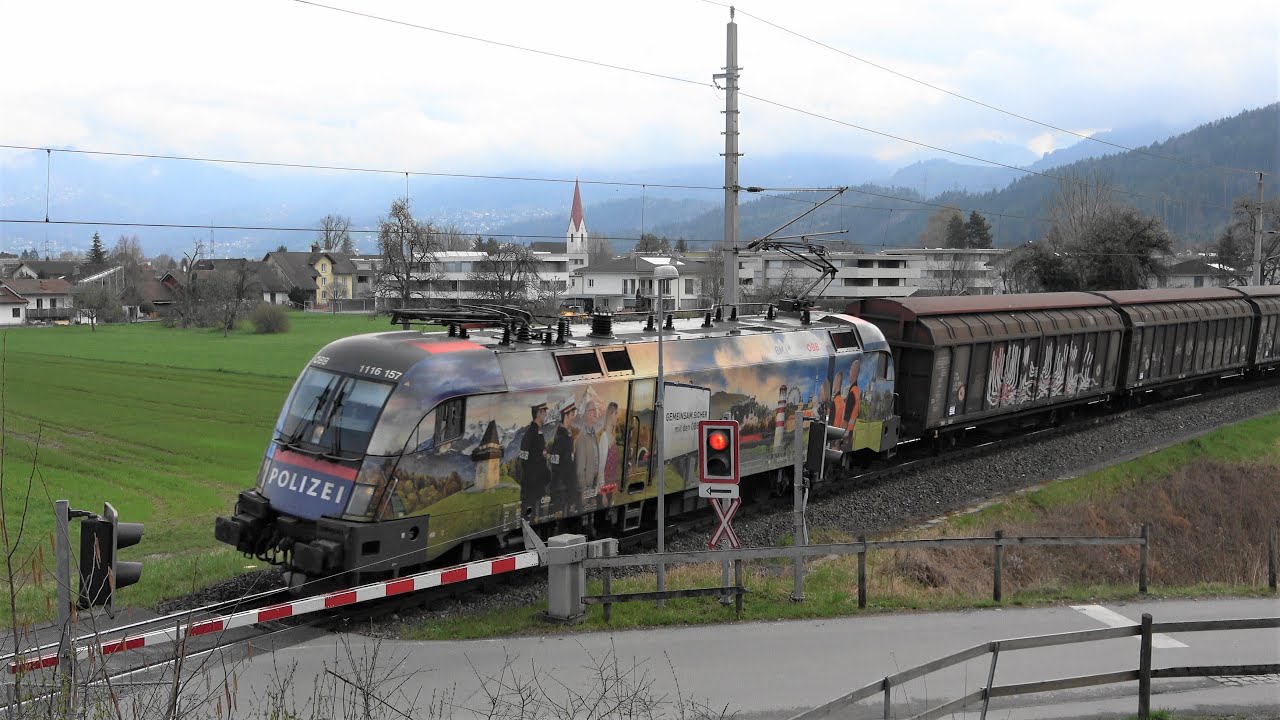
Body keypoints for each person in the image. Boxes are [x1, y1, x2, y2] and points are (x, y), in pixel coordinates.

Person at [517, 402, 550, 518]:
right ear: (538, 413)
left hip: (537, 487)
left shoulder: (538, 433)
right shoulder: (531, 435)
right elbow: (524, 463)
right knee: (528, 520)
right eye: (544, 411)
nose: (546, 413)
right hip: (531, 488)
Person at [547, 402, 577, 514]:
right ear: (566, 415)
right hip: (563, 492)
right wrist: (572, 497)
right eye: (572, 414)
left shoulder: (559, 435)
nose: (574, 417)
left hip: (557, 489)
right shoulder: (565, 438)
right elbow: (567, 469)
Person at [575, 397, 601, 510]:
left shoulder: (593, 435)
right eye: (593, 410)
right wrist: (583, 492)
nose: (596, 413)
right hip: (586, 491)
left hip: (592, 488)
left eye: (596, 410)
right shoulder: (582, 438)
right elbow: (580, 469)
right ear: (586, 414)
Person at [597, 401, 620, 506]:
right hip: (604, 489)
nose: (617, 417)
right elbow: (601, 468)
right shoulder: (605, 438)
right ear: (610, 415)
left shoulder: (612, 437)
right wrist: (603, 494)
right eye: (615, 414)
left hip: (610, 487)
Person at [844, 358, 862, 446]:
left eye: (851, 370)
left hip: (847, 431)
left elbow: (846, 417)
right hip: (851, 431)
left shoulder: (852, 393)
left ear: (855, 373)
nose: (849, 373)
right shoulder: (856, 390)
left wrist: (840, 434)